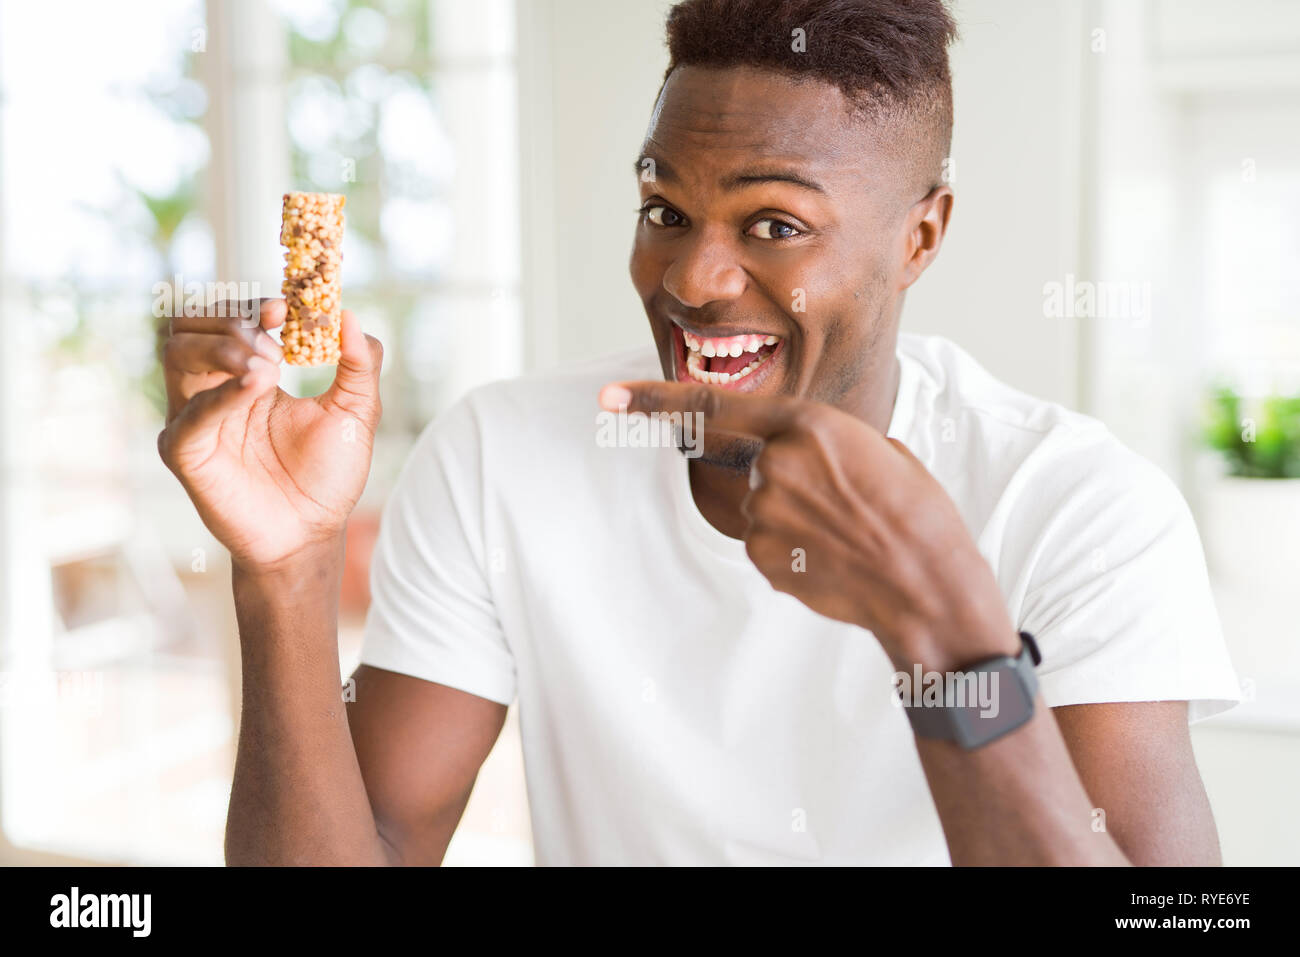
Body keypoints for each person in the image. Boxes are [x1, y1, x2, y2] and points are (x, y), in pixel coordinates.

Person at [159, 0, 1240, 866]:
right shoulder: (503, 453)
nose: (690, 279)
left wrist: (942, 633)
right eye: (664, 211)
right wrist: (287, 569)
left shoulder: (1079, 508)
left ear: (920, 235)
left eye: (774, 225)